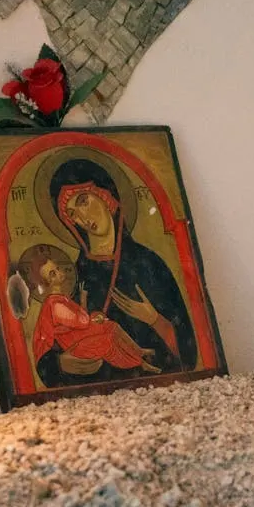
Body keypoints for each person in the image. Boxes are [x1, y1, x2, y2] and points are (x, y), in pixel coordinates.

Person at [50, 159, 198, 374]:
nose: (82, 217)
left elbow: (189, 356)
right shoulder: (75, 274)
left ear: (106, 197)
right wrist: (59, 363)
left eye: (83, 201)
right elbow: (55, 339)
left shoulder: (148, 263)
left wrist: (154, 320)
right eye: (72, 214)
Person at [27, 252, 162, 388]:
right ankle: (139, 364)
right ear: (46, 282)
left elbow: (80, 320)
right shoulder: (55, 305)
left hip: (78, 337)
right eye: (52, 273)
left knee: (111, 326)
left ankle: (138, 351)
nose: (59, 272)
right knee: (107, 340)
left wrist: (87, 307)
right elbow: (82, 321)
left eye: (57, 268)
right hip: (74, 345)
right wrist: (87, 309)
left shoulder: (62, 299)